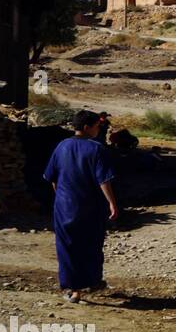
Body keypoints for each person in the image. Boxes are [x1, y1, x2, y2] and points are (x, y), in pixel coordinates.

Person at [43, 110, 119, 303]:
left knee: (67, 246)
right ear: (87, 127)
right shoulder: (97, 149)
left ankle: (74, 290)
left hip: (64, 206)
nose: (99, 129)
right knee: (91, 244)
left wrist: (61, 196)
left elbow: (52, 177)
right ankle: (93, 282)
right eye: (97, 126)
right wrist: (112, 202)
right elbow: (104, 180)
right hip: (90, 206)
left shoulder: (61, 146)